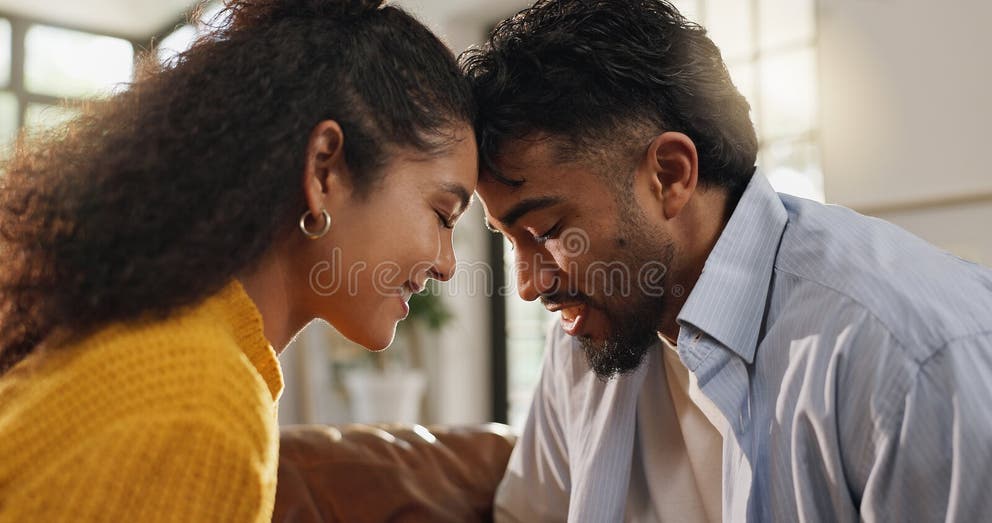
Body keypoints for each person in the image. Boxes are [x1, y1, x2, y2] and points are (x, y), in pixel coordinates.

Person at [462, 0, 992, 521]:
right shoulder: (592, 334)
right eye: (510, 239)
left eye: (547, 231)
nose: (528, 285)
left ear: (670, 176)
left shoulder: (906, 358)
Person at [0, 0, 477, 520]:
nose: (447, 264)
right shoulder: (202, 408)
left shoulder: (163, 342)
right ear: (324, 172)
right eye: (442, 215)